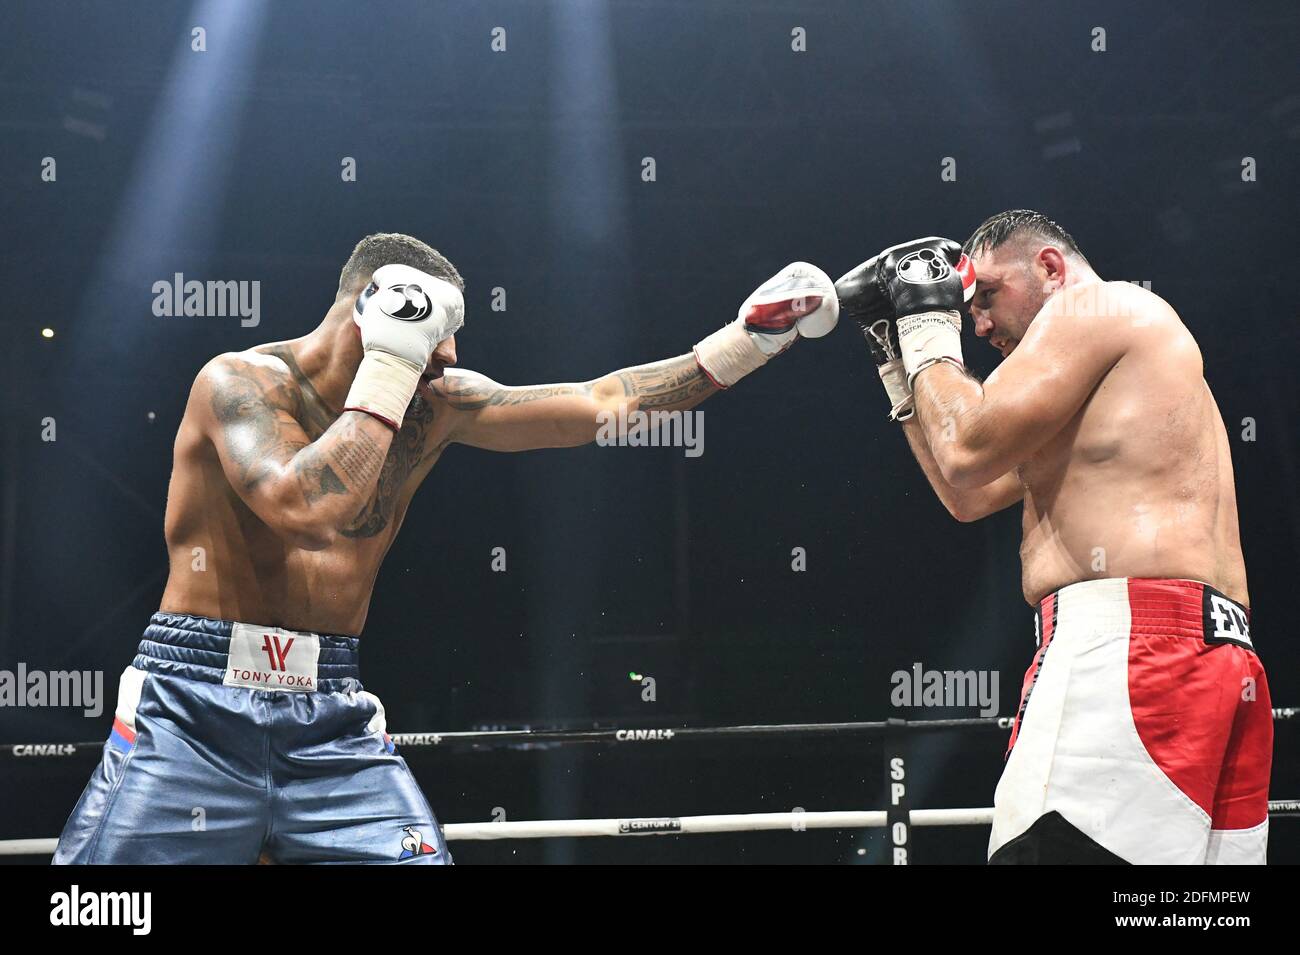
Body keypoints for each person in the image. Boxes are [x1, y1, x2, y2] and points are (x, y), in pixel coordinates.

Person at [53, 233, 838, 864]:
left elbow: (599, 403)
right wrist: (393, 360)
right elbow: (302, 506)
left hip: (328, 709)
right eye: (432, 336)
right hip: (192, 706)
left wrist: (745, 342)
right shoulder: (239, 384)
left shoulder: (435, 403)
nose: (449, 358)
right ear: (377, 311)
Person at [835, 213, 1272, 864]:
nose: (978, 324)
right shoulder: (1113, 373)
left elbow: (964, 445)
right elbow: (968, 491)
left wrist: (927, 322)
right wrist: (895, 357)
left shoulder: (1093, 306)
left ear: (1049, 267)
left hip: (1124, 653)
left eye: (987, 295)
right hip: (1214, 664)